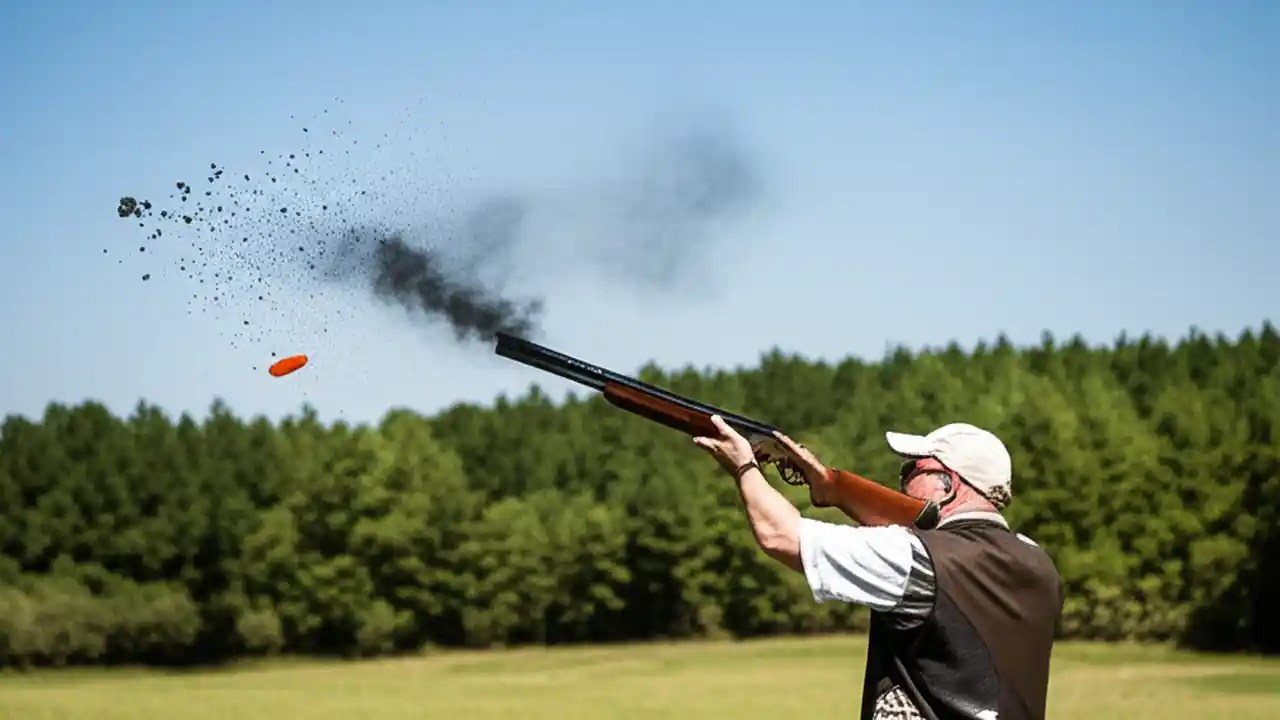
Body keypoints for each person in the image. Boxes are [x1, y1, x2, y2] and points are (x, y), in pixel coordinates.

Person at [693, 416, 1063, 720]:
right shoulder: (1038, 562)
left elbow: (781, 536)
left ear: (946, 483)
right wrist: (832, 490)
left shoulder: (918, 560)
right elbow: (926, 535)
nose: (902, 480)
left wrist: (744, 465)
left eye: (912, 469)